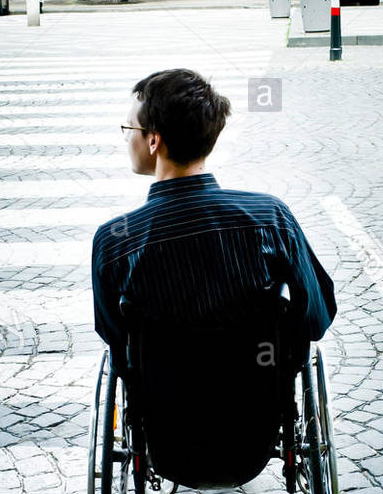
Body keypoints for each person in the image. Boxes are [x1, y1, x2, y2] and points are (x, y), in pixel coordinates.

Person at [92, 68, 336, 382]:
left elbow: (118, 345)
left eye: (129, 128)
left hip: (164, 412)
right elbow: (315, 316)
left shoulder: (115, 242)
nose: (126, 138)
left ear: (153, 140)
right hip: (258, 404)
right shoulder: (271, 218)